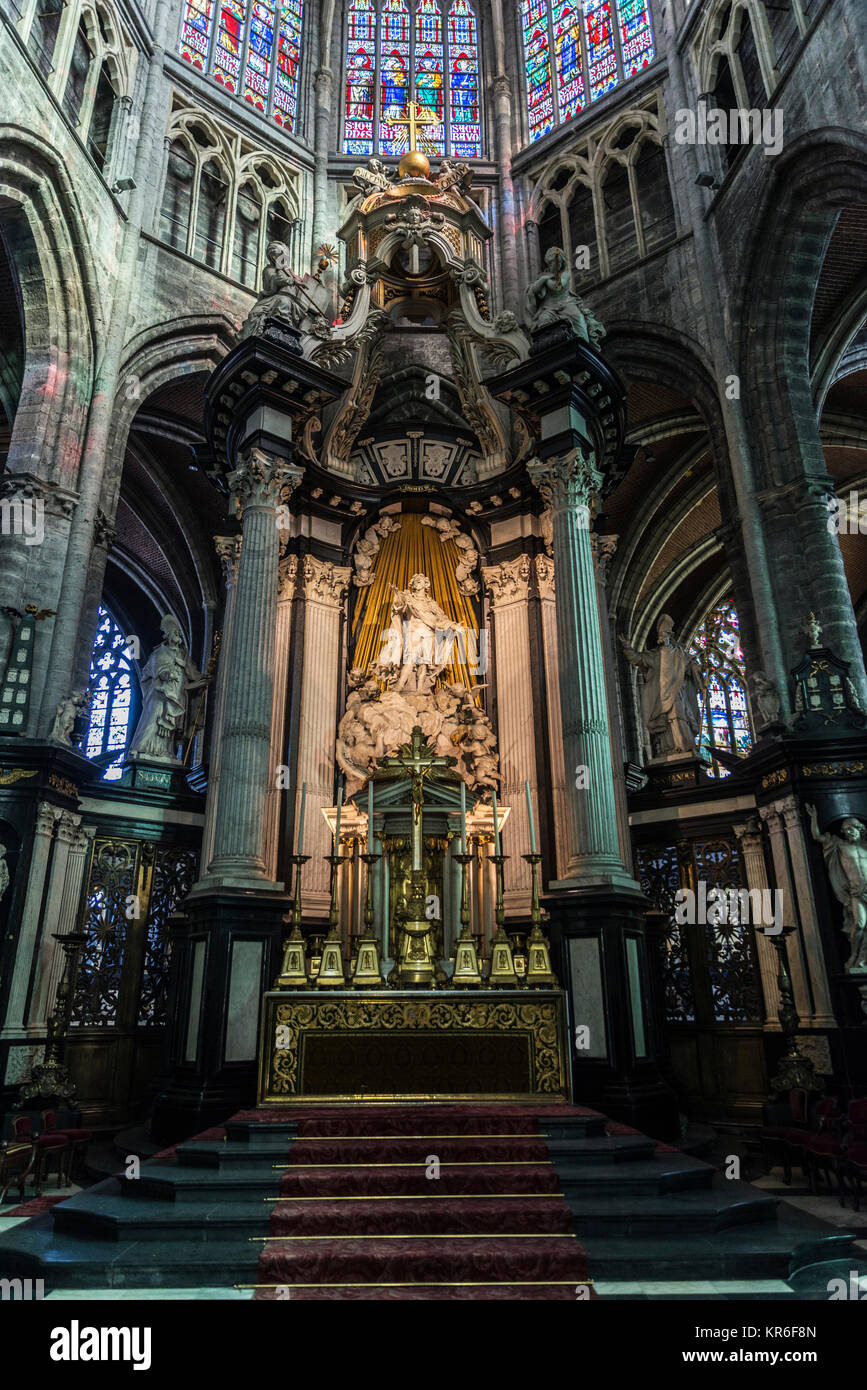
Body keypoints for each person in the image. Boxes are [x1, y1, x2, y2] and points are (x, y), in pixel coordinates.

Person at [620, 614, 705, 759]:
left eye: (663, 634)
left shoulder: (679, 653)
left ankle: (683, 745)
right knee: (666, 722)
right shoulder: (655, 655)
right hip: (661, 694)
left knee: (679, 716)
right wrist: (627, 647)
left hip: (677, 693)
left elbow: (692, 667)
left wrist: (700, 673)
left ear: (669, 635)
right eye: (659, 634)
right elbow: (637, 659)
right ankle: (668, 748)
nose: (661, 636)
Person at [806, 805, 867, 971]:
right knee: (860, 924)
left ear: (859, 829)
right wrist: (813, 817)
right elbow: (818, 836)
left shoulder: (865, 846)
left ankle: (862, 960)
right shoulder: (841, 846)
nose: (848, 832)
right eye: (845, 830)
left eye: (850, 829)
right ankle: (854, 956)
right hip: (856, 891)